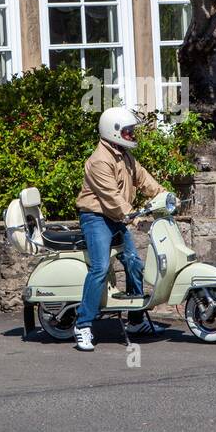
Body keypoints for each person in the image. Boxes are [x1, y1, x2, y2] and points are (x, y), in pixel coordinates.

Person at [72, 106, 165, 352]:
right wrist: (135, 219)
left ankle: (135, 322)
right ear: (113, 132)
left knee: (134, 262)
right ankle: (83, 326)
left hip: (116, 217)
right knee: (101, 267)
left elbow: (143, 179)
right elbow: (112, 198)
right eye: (127, 131)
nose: (132, 135)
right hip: (96, 218)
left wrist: (165, 196)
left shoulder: (124, 155)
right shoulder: (99, 161)